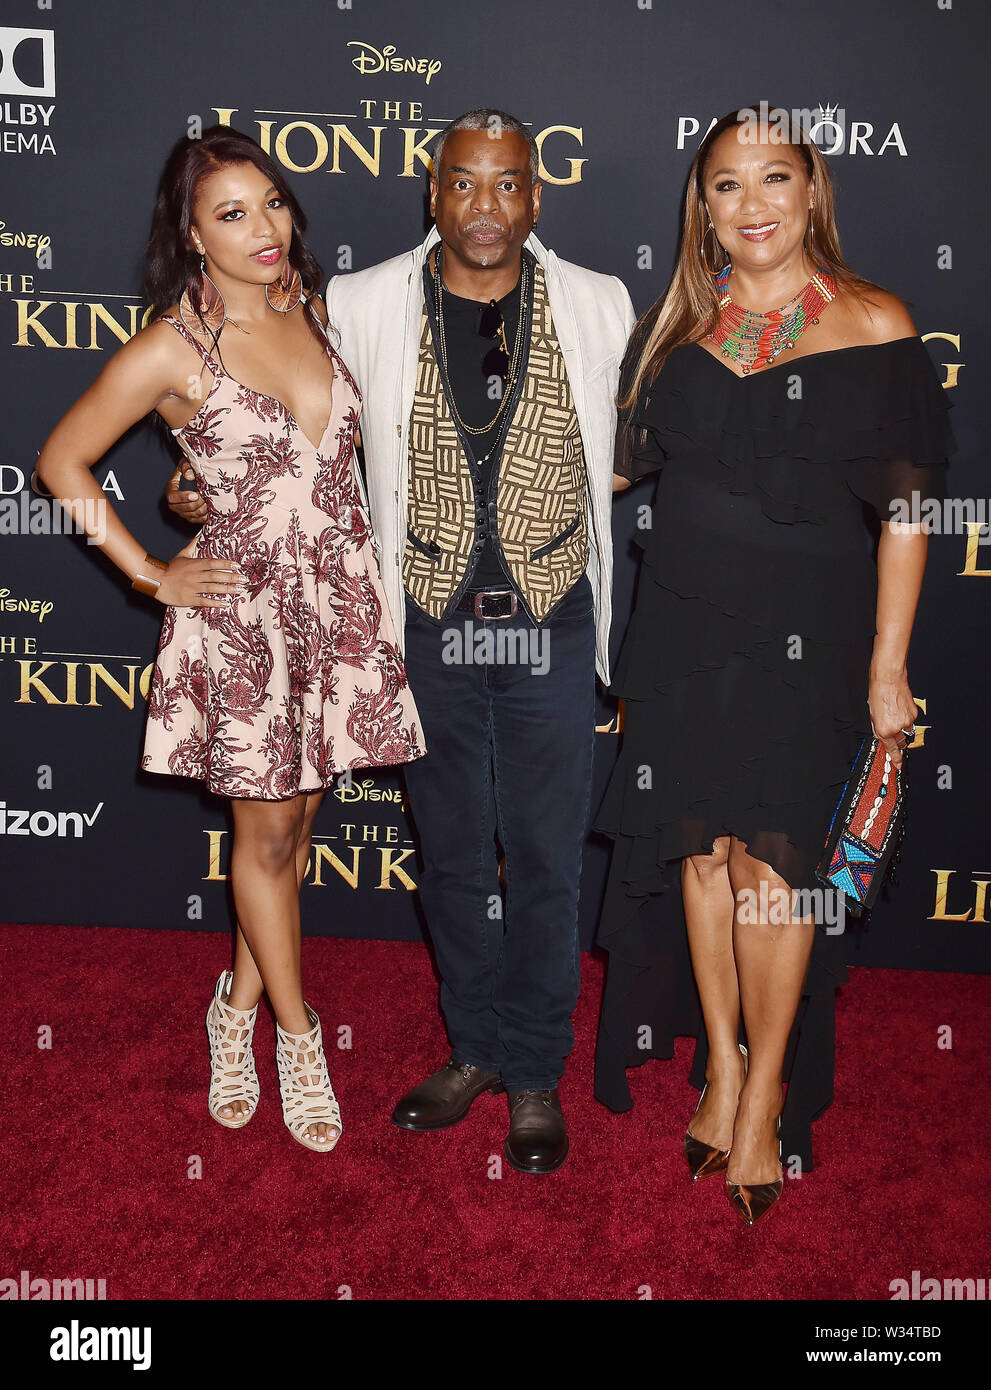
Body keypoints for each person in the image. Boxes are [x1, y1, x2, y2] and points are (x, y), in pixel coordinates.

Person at [170, 108, 635, 1174]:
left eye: (506, 183)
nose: (484, 205)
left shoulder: (599, 303)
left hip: (550, 625)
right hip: (418, 623)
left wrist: (557, 498)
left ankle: (532, 1075)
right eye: (462, 184)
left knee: (548, 864)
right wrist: (192, 486)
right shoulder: (363, 301)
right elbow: (274, 419)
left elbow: (638, 440)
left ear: (534, 193)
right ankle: (472, 1050)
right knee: (457, 858)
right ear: (432, 193)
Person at [595, 105, 953, 1223]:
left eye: (772, 180)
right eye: (724, 185)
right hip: (684, 633)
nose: (749, 205)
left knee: (777, 873)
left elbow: (905, 514)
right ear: (700, 205)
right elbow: (607, 473)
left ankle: (764, 1102)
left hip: (813, 637)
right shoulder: (675, 333)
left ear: (811, 193)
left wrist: (888, 670)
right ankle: (724, 1065)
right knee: (702, 860)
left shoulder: (874, 320)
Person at [38, 126, 424, 1155]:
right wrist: (150, 567)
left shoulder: (315, 306)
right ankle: (295, 1037)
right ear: (192, 234)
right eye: (232, 213)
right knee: (261, 838)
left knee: (294, 831)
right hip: (244, 618)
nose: (263, 227)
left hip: (338, 602)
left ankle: (231, 1001)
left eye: (272, 202)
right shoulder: (174, 345)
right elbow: (63, 461)